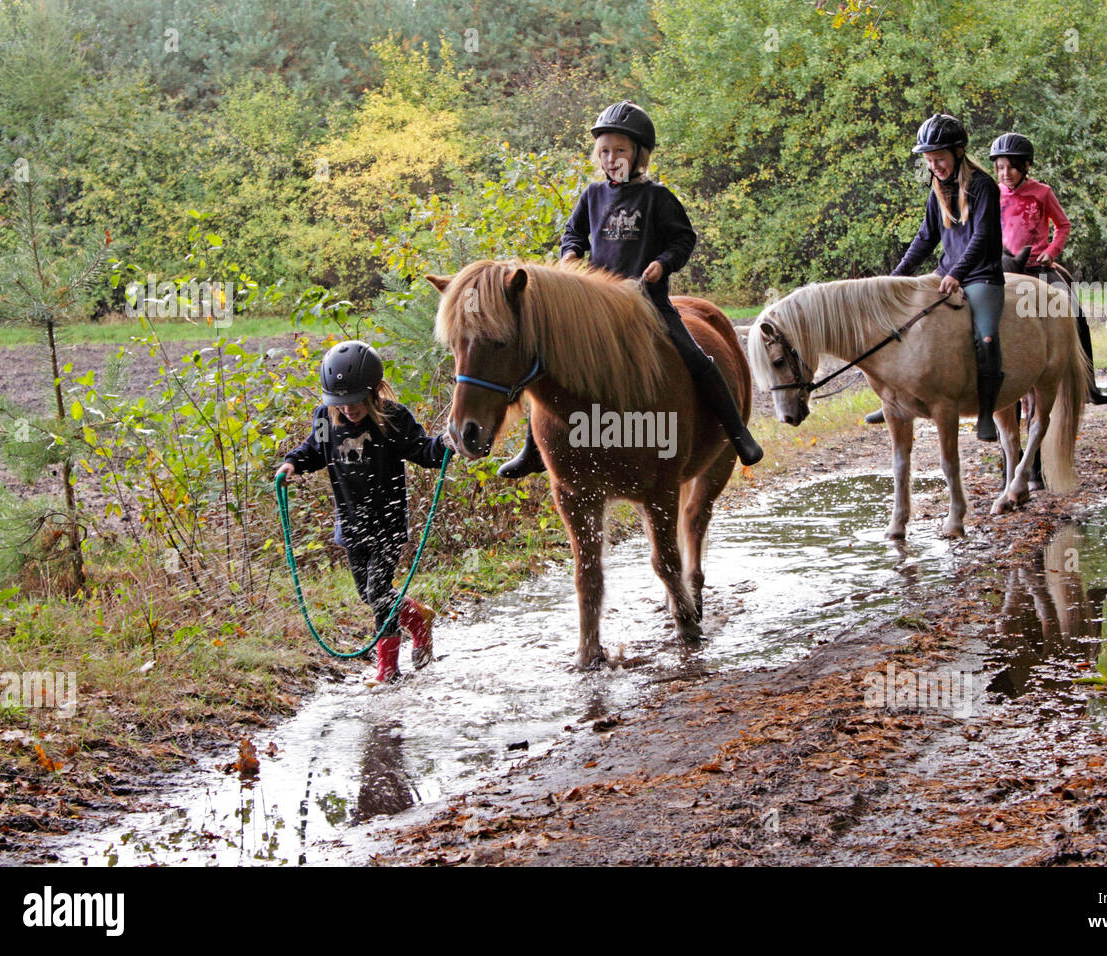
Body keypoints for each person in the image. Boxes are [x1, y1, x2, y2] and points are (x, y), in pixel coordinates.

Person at [497, 100, 762, 478]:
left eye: (619, 150)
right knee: (547, 359)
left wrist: (663, 263)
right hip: (598, 304)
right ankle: (532, 450)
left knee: (695, 357)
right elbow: (573, 232)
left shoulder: (657, 198)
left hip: (647, 301)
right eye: (604, 151)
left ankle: (738, 433)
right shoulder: (592, 196)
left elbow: (683, 240)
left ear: (639, 154)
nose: (610, 157)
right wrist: (571, 253)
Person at [276, 340, 448, 683]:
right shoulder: (326, 418)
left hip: (387, 524)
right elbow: (315, 449)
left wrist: (446, 443)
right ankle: (417, 618)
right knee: (367, 592)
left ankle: (388, 671)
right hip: (352, 524)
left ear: (373, 391)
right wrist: (292, 463)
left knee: (378, 592)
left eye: (356, 401)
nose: (349, 409)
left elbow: (424, 451)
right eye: (341, 403)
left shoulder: (393, 418)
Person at [867, 113, 1007, 441]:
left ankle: (987, 411)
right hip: (946, 273)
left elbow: (982, 236)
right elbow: (926, 237)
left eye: (939, 159)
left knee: (986, 338)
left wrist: (958, 273)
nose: (935, 166)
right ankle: (891, 398)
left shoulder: (984, 186)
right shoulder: (937, 188)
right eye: (929, 160)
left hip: (982, 276)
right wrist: (897, 277)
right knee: (899, 316)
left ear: (958, 152)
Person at [989, 132, 1107, 404]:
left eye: (1011, 166)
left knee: (1076, 316)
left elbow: (1063, 226)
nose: (1005, 173)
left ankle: (1088, 385)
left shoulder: (1042, 193)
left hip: (1038, 267)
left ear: (1026, 166)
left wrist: (1051, 251)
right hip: (1005, 268)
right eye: (1000, 167)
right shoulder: (992, 194)